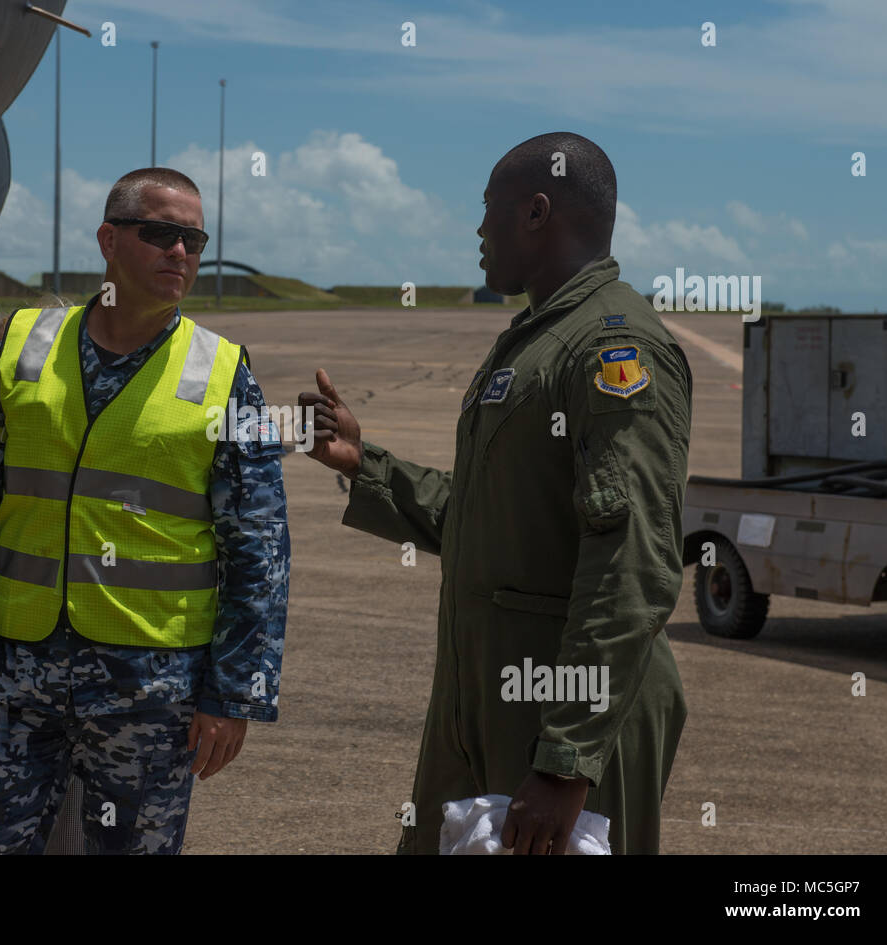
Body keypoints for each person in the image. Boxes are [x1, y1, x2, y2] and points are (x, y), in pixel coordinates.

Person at [300, 132, 691, 855]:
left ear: (537, 210)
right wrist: (365, 464)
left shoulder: (613, 348)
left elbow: (631, 561)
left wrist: (567, 758)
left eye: (489, 210)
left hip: (561, 717)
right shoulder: (537, 338)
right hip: (488, 700)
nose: (479, 231)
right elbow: (490, 518)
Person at [0, 167, 289, 854]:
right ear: (110, 239)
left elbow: (258, 548)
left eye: (194, 241)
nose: (180, 253)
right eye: (161, 234)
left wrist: (235, 693)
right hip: (9, 681)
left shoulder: (224, 373)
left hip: (152, 691)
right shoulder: (24, 349)